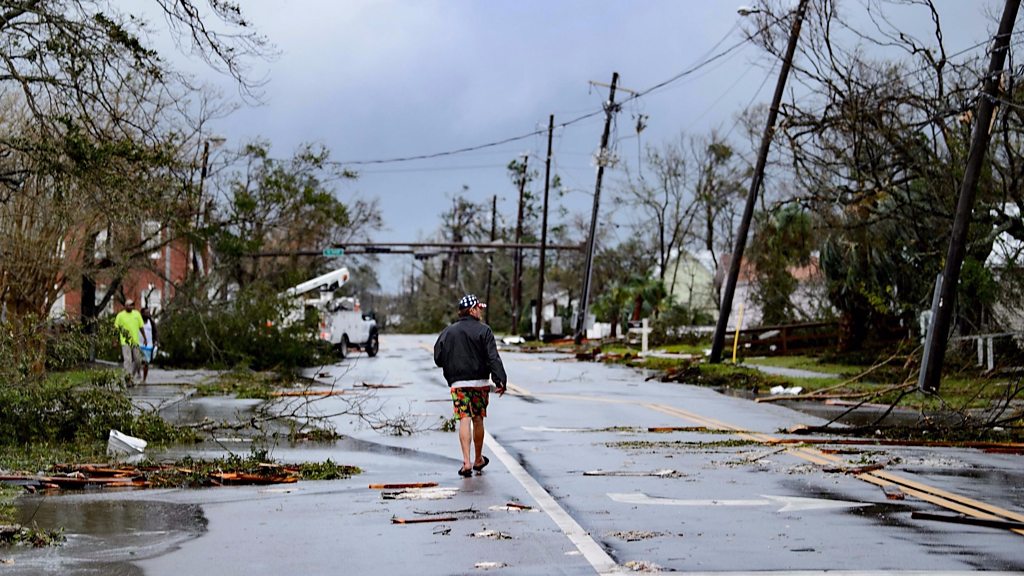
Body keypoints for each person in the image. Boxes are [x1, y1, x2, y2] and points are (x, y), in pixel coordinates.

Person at [434, 294, 508, 478]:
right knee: (478, 419)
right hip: (480, 383)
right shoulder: (485, 331)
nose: (481, 311)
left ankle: (466, 462)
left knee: (464, 418)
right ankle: (478, 459)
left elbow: (438, 358)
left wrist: (452, 365)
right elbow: (493, 358)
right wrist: (500, 380)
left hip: (458, 384)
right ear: (472, 310)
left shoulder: (448, 332)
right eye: (479, 308)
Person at [113, 298, 146, 386]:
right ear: (125, 306)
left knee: (138, 360)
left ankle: (131, 375)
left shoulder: (137, 314)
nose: (130, 306)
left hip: (135, 341)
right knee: (127, 360)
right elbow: (116, 329)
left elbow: (141, 327)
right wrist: (115, 340)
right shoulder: (120, 316)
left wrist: (145, 338)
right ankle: (128, 379)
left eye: (132, 305)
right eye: (129, 305)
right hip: (125, 341)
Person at [138, 307, 159, 384]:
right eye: (146, 313)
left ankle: (144, 379)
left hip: (148, 346)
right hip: (138, 344)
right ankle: (137, 374)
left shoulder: (151, 322)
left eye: (148, 313)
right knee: (138, 361)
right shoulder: (138, 321)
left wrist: (156, 342)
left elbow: (155, 332)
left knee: (146, 363)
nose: (148, 314)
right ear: (142, 313)